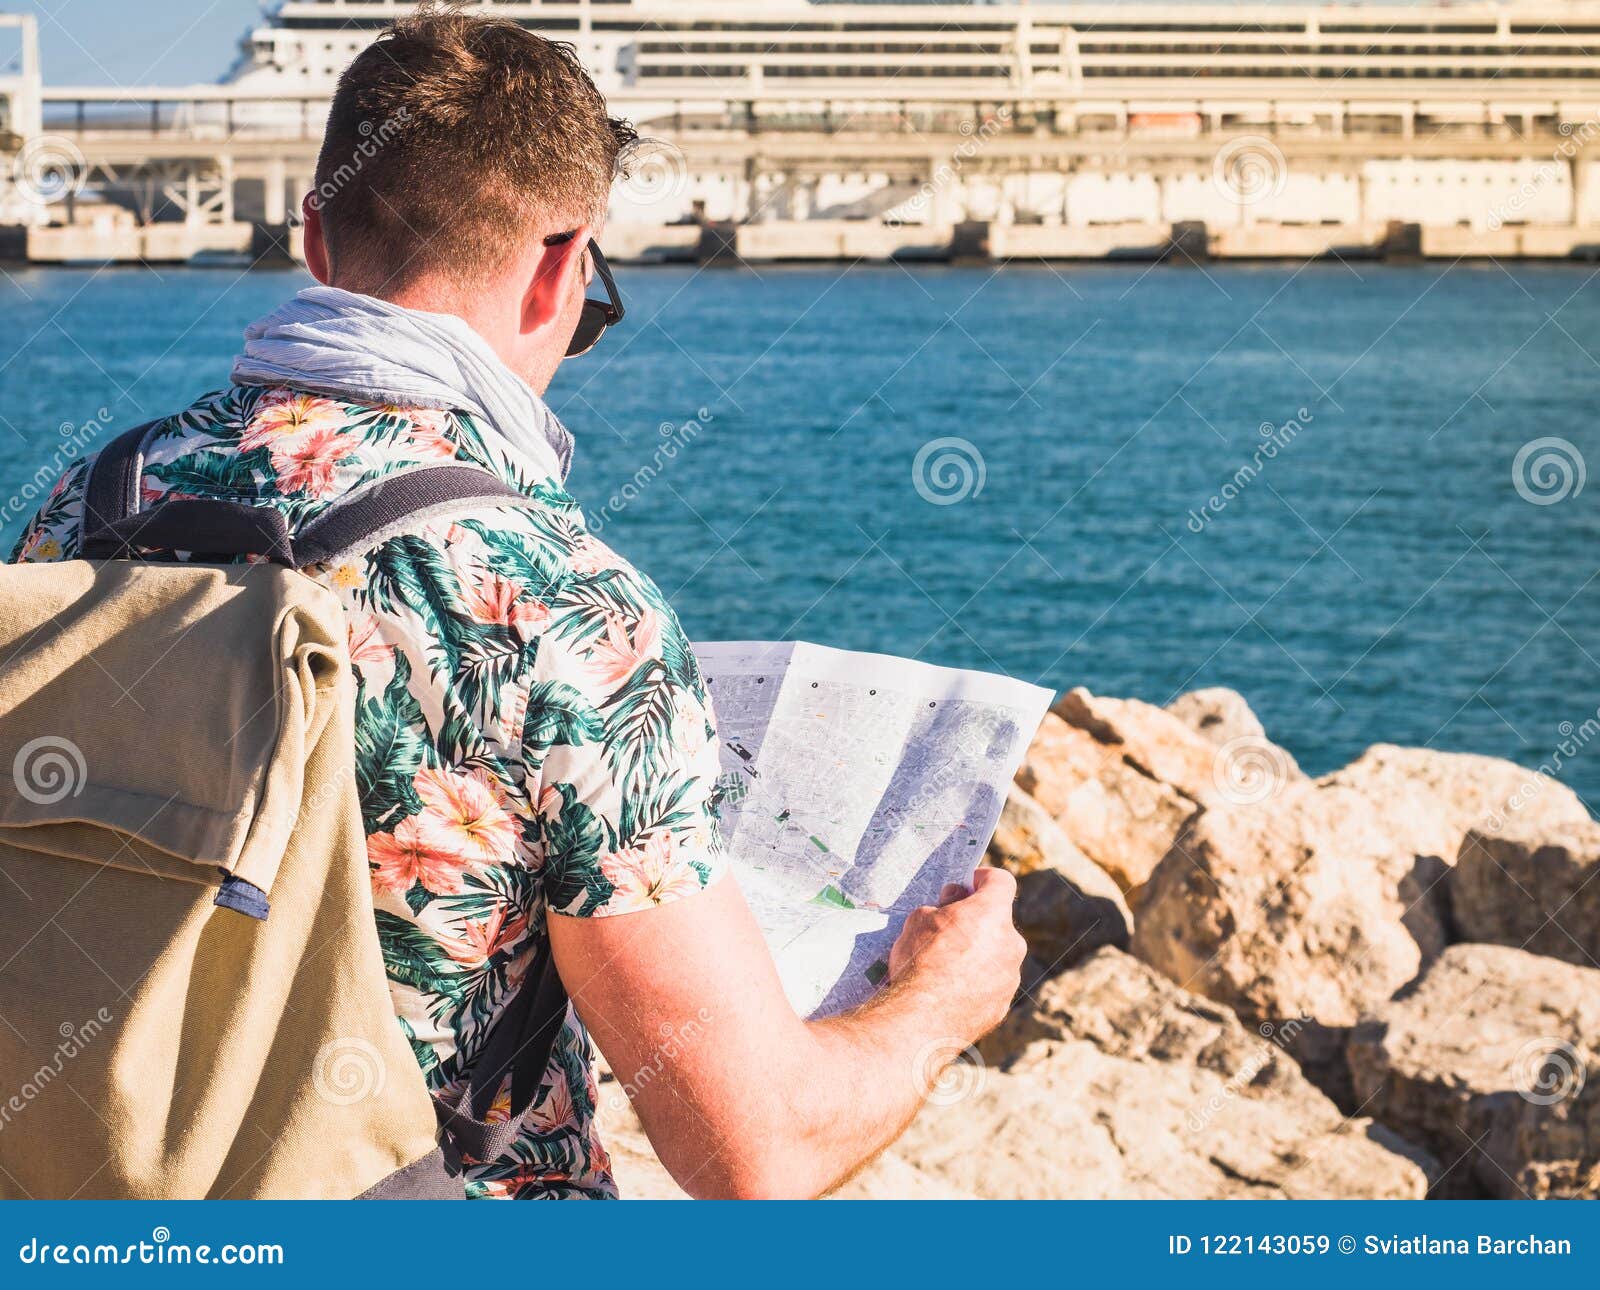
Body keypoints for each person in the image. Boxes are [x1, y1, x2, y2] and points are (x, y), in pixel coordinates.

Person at [10, 7, 1024, 1200]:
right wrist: (935, 1007)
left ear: (315, 239)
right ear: (561, 266)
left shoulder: (88, 502)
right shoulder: (557, 607)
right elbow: (757, 1151)